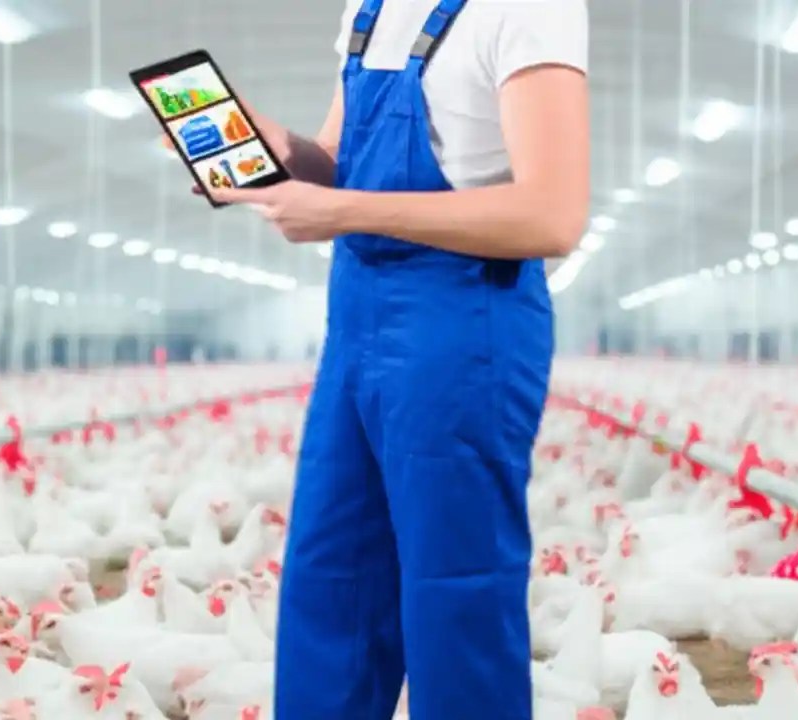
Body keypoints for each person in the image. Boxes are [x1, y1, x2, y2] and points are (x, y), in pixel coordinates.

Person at [210, 0, 589, 717]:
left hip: (462, 325)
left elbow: (551, 214)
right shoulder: (369, 5)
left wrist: (348, 213)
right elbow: (337, 164)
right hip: (356, 322)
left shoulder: (528, 7)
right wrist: (270, 146)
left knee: (456, 590)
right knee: (332, 583)